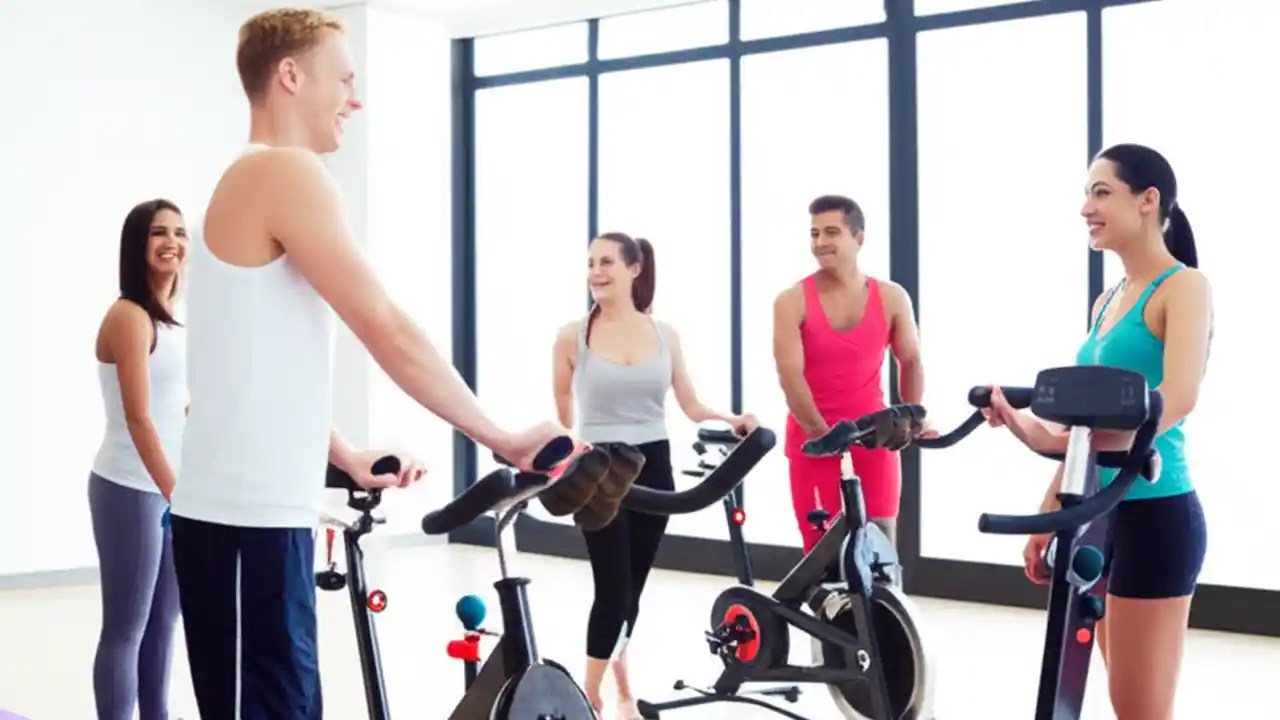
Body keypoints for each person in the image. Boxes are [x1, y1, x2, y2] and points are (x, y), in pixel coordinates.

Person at [168, 8, 573, 718]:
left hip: (258, 521)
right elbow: (386, 327)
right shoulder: (284, 171)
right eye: (344, 80)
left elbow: (253, 370)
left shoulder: (257, 179)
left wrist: (345, 455)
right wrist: (501, 437)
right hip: (242, 524)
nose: (354, 100)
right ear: (290, 75)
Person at [982, 143, 1211, 719]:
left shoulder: (1183, 287)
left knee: (1140, 708)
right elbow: (1088, 425)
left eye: (1101, 192)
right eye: (1087, 194)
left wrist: (1054, 441)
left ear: (1148, 200)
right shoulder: (1106, 302)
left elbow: (1178, 397)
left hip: (1155, 512)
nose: (1086, 207)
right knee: (1114, 695)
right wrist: (1052, 510)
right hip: (1097, 512)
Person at [552, 232, 758, 719]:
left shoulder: (665, 334)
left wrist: (732, 419)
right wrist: (564, 449)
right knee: (613, 590)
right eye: (590, 263)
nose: (595, 272)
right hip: (599, 469)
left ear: (634, 269)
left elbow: (690, 403)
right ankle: (590, 695)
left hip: (653, 468)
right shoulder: (572, 336)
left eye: (606, 262)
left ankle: (621, 675)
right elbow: (562, 403)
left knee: (633, 590)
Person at [772, 195, 928, 553]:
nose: (820, 242)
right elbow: (790, 375)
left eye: (831, 232)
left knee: (880, 547)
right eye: (814, 233)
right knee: (822, 552)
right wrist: (821, 434)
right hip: (814, 443)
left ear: (859, 238)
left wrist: (910, 415)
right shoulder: (791, 301)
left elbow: (910, 360)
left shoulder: (892, 297)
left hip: (875, 438)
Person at [89, 198, 188, 720]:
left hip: (168, 489)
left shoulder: (171, 323)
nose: (172, 242)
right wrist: (177, 494)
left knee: (162, 624)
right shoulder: (129, 317)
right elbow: (140, 419)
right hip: (129, 488)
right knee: (125, 629)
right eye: (158, 232)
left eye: (180, 232)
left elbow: (175, 410)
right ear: (137, 245)